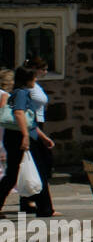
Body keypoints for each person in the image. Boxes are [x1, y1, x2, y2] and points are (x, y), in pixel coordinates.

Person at [0, 66, 56, 215]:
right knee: (26, 172)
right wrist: (25, 136)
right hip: (20, 137)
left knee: (18, 173)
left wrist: (42, 137)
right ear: (28, 80)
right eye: (34, 78)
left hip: (19, 136)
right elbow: (19, 114)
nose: (36, 81)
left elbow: (28, 120)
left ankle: (45, 207)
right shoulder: (21, 94)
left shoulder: (17, 92)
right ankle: (45, 208)